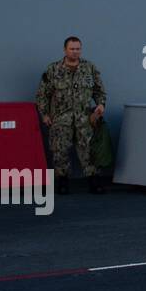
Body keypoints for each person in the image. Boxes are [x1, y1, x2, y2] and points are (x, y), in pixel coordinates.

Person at [35, 36, 107, 195]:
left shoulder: (89, 68)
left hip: (84, 119)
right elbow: (42, 95)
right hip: (60, 119)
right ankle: (62, 182)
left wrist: (101, 104)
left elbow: (99, 90)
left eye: (78, 49)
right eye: (72, 49)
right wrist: (44, 114)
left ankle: (94, 181)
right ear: (65, 50)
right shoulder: (53, 69)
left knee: (88, 150)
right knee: (59, 151)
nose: (75, 52)